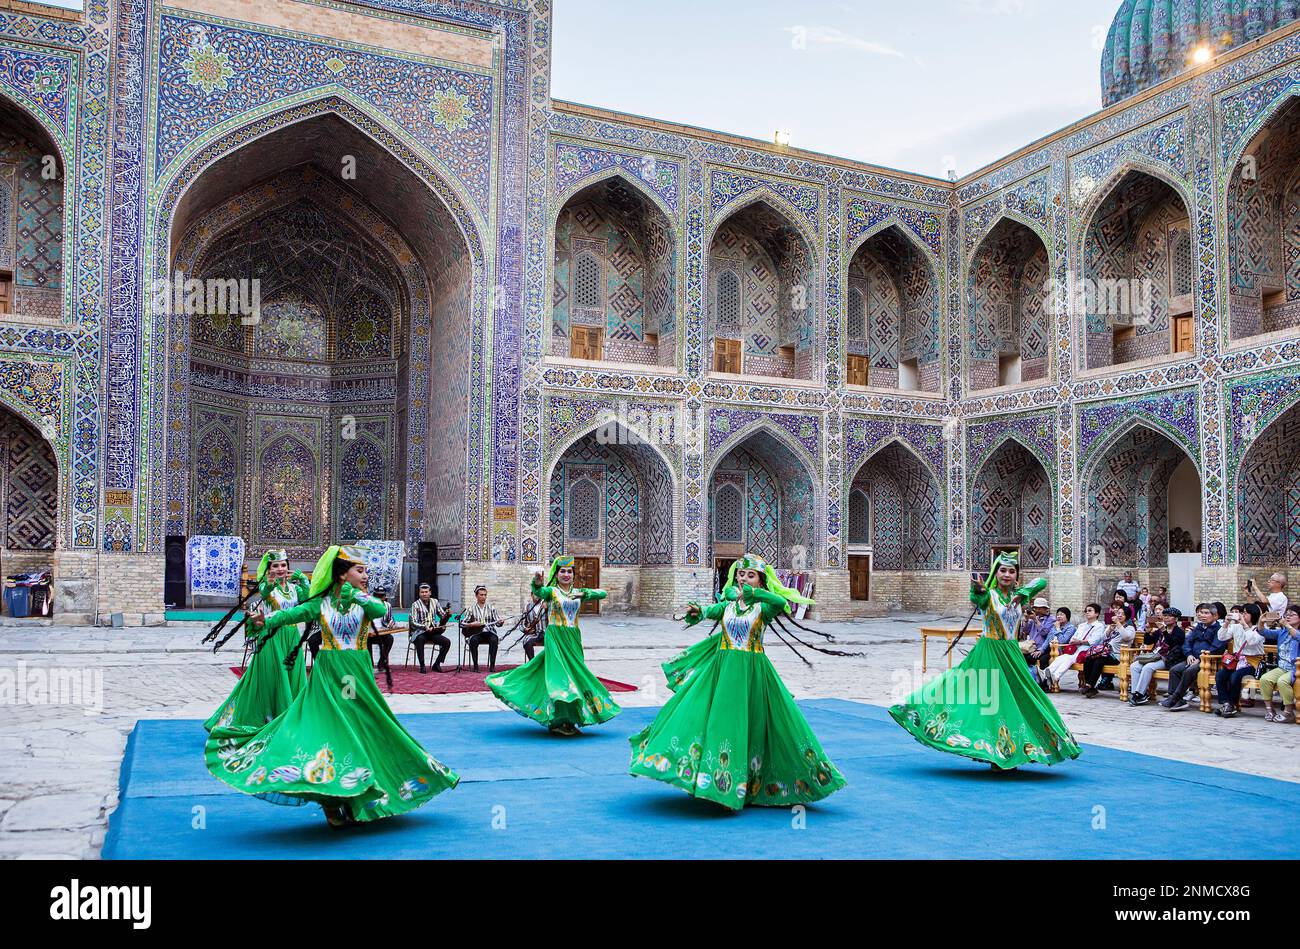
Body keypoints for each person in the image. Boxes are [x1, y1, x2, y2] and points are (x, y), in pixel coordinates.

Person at [204, 545, 459, 827]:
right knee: (326, 730)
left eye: (365, 571)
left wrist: (358, 595)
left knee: (365, 728)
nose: (365, 576)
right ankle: (330, 800)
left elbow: (378, 609)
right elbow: (292, 615)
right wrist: (267, 620)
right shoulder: (322, 603)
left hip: (354, 677)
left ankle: (359, 795)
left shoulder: (364, 601)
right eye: (359, 571)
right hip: (328, 674)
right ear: (341, 575)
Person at [629, 553, 847, 809]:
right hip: (722, 673)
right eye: (741, 574)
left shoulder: (762, 608)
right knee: (715, 722)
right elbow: (712, 611)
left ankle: (747, 785)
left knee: (751, 725)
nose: (743, 579)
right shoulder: (729, 604)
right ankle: (712, 781)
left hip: (752, 675)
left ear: (760, 581)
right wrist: (698, 612)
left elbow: (780, 602)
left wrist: (756, 595)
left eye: (750, 576)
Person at [890, 551, 1080, 770]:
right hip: (989, 652)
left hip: (1011, 654)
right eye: (1002, 570)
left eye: (1011, 571)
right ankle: (995, 752)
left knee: (1023, 698)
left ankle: (1014, 749)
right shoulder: (989, 596)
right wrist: (978, 589)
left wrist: (1023, 592)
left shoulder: (1020, 596)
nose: (1007, 575)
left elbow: (1041, 581)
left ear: (1017, 575)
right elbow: (976, 596)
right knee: (990, 701)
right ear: (995, 573)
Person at [487, 555, 620, 735]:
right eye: (562, 571)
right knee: (560, 678)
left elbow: (602, 593)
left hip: (573, 638)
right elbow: (539, 592)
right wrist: (536, 583)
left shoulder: (577, 592)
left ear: (573, 574)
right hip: (555, 636)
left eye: (569, 572)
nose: (566, 575)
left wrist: (584, 593)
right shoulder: (552, 592)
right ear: (556, 574)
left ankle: (569, 720)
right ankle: (558, 719)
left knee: (576, 675)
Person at [204, 550, 310, 732]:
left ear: (288, 567)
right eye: (275, 566)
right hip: (271, 638)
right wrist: (270, 581)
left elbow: (307, 602)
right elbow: (265, 590)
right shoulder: (266, 586)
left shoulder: (294, 589)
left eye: (283, 565)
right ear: (269, 569)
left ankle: (291, 720)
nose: (280, 569)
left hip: (292, 638)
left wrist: (305, 581)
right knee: (272, 678)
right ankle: (270, 720)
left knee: (292, 678)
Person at [1161, 602, 1223, 710]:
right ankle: (1176, 699)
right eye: (1201, 613)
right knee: (1175, 669)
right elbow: (1187, 642)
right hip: (1192, 659)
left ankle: (1175, 697)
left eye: (1206, 613)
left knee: (1188, 671)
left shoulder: (1219, 630)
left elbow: (1216, 647)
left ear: (1215, 616)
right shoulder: (1198, 627)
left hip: (1208, 662)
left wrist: (1200, 659)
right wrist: (1189, 654)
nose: (1202, 615)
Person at [1214, 602, 1266, 718]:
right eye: (1242, 613)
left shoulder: (1260, 629)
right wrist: (1226, 623)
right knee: (1220, 675)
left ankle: (1231, 705)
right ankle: (1226, 704)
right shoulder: (1235, 627)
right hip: (1237, 662)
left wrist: (1245, 626)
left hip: (1253, 663)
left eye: (1246, 613)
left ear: (1254, 615)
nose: (1242, 615)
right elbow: (1221, 637)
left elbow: (1252, 641)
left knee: (1235, 676)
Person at [1126, 608, 1183, 706]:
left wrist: (1164, 631)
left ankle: (1139, 695)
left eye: (1169, 616)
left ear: (1176, 619)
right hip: (1154, 656)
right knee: (1134, 666)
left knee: (1148, 667)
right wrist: (1147, 632)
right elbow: (1149, 641)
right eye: (1165, 616)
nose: (1166, 618)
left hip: (1168, 658)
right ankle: (1137, 694)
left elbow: (1173, 644)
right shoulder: (1160, 630)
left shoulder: (1179, 632)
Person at [1043, 603, 1104, 689]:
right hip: (1075, 650)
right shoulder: (1082, 626)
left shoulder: (1099, 626)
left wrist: (1079, 641)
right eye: (1086, 611)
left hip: (1087, 653)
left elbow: (1093, 641)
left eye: (1090, 611)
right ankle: (1046, 674)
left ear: (1097, 614)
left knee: (1068, 659)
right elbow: (1072, 639)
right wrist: (1077, 641)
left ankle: (1052, 676)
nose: (1087, 612)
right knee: (1061, 658)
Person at [1081, 606, 1134, 698]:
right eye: (1118, 613)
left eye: (1122, 614)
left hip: (1118, 656)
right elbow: (1103, 639)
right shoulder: (1114, 626)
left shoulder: (1130, 628)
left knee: (1099, 661)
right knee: (1089, 658)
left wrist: (1118, 623)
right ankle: (1090, 687)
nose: (1120, 615)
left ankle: (1089, 686)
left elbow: (1126, 637)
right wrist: (1109, 630)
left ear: (1127, 616)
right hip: (1105, 653)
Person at [1260, 605, 1300, 723]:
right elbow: (1264, 632)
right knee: (1265, 679)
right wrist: (1261, 622)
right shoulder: (1282, 632)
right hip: (1283, 667)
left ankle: (1288, 712)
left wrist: (1286, 625)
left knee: (1282, 681)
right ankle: (1270, 710)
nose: (1288, 616)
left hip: (1296, 668)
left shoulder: (1291, 630)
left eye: (1292, 614)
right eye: (1287, 614)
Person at [460, 585, 504, 673]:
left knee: (494, 639)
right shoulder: (471, 609)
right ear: (476, 596)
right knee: (473, 640)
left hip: (489, 632)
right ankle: (475, 665)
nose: (483, 597)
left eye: (485, 595)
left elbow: (498, 623)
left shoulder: (491, 608)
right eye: (481, 595)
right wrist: (472, 624)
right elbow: (462, 623)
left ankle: (492, 665)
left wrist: (500, 622)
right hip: (476, 633)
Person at [408, 584, 450, 673]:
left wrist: (447, 615)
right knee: (420, 640)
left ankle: (437, 664)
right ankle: (422, 666)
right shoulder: (415, 605)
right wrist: (424, 627)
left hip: (432, 632)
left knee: (446, 642)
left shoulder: (435, 602)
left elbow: (442, 616)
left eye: (426, 592)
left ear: (430, 592)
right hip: (419, 632)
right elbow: (412, 622)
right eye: (422, 592)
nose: (424, 594)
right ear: (419, 593)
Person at [1023, 598, 1056, 680]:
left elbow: (1044, 633)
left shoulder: (1051, 619)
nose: (1037, 610)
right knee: (1021, 657)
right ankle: (1029, 680)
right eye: (1036, 608)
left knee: (1042, 660)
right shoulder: (1032, 618)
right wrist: (1026, 620)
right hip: (1031, 647)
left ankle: (1044, 683)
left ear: (1046, 609)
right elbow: (1025, 631)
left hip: (1045, 648)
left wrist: (1035, 620)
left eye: (1040, 608)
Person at [367, 586, 397, 676]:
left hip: (382, 632)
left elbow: (391, 618)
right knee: (366, 640)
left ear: (385, 597)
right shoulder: (368, 605)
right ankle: (370, 665)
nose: (379, 598)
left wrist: (391, 623)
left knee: (390, 638)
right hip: (370, 633)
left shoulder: (387, 606)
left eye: (381, 596)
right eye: (377, 596)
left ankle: (381, 662)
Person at [520, 593, 546, 661]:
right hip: (533, 634)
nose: (538, 595)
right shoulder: (527, 607)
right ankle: (532, 663)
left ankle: (549, 664)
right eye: (536, 594)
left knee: (554, 642)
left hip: (547, 633)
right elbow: (521, 624)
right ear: (531, 595)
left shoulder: (546, 606)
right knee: (526, 642)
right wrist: (526, 629)